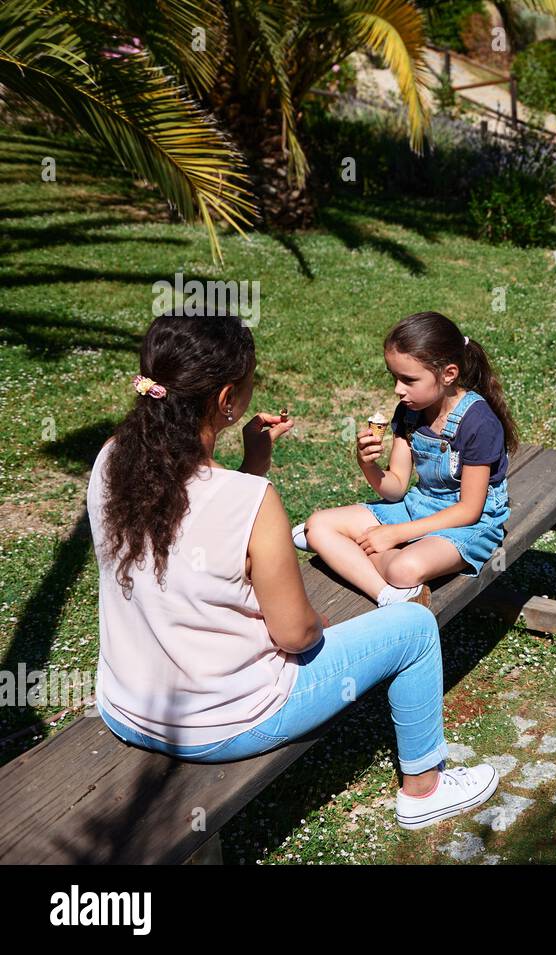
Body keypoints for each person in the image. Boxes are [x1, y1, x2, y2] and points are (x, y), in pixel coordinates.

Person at [86, 313, 498, 830]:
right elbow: (296, 635)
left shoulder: (112, 460)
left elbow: (198, 525)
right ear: (227, 400)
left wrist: (252, 463)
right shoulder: (252, 502)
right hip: (222, 723)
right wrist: (320, 624)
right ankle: (425, 789)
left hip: (126, 709)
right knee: (414, 628)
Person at [298, 311, 517, 607]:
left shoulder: (478, 422)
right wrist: (368, 465)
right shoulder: (410, 410)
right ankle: (387, 594)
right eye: (394, 377)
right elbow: (397, 487)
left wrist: (394, 534)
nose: (397, 389)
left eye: (408, 379)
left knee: (404, 568)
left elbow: (468, 510)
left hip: (468, 523)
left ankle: (354, 553)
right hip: (419, 506)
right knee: (318, 525)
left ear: (448, 374)